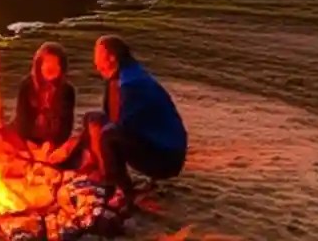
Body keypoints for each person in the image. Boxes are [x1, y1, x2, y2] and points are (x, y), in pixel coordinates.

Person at [53, 35, 187, 204]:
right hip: (155, 144)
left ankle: (122, 191)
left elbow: (119, 126)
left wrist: (76, 144)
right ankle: (102, 174)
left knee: (109, 136)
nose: (95, 63)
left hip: (167, 157)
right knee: (92, 119)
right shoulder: (120, 76)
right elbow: (111, 119)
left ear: (111, 58)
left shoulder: (131, 84)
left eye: (98, 56)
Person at [11, 42, 76, 150]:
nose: (50, 68)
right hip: (26, 139)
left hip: (53, 143)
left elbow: (66, 126)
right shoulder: (26, 86)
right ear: (39, 65)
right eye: (47, 63)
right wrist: (28, 143)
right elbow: (22, 120)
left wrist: (51, 144)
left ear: (62, 68)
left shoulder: (68, 90)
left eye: (55, 64)